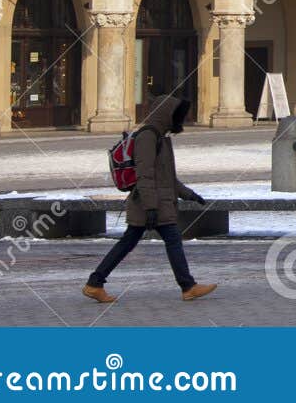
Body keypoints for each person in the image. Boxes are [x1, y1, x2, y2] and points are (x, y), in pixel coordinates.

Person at [83, 94, 216, 303]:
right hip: (151, 204)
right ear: (166, 115)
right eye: (176, 115)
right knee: (170, 240)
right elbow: (144, 175)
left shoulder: (159, 137)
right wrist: (151, 207)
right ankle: (188, 286)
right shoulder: (148, 137)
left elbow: (168, 178)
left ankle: (95, 283)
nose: (178, 120)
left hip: (157, 202)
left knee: (128, 243)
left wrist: (190, 195)